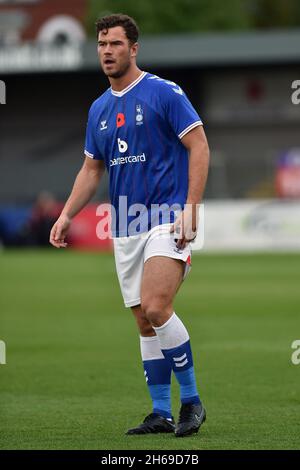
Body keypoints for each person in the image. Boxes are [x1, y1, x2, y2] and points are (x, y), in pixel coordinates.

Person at [49, 13, 210, 438]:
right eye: (102, 44)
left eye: (115, 44)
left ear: (133, 49)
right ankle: (161, 411)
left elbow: (199, 145)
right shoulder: (99, 109)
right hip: (124, 224)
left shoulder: (163, 93)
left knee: (157, 306)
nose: (107, 51)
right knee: (143, 321)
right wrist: (66, 214)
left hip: (165, 217)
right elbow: (90, 169)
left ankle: (191, 401)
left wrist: (191, 207)